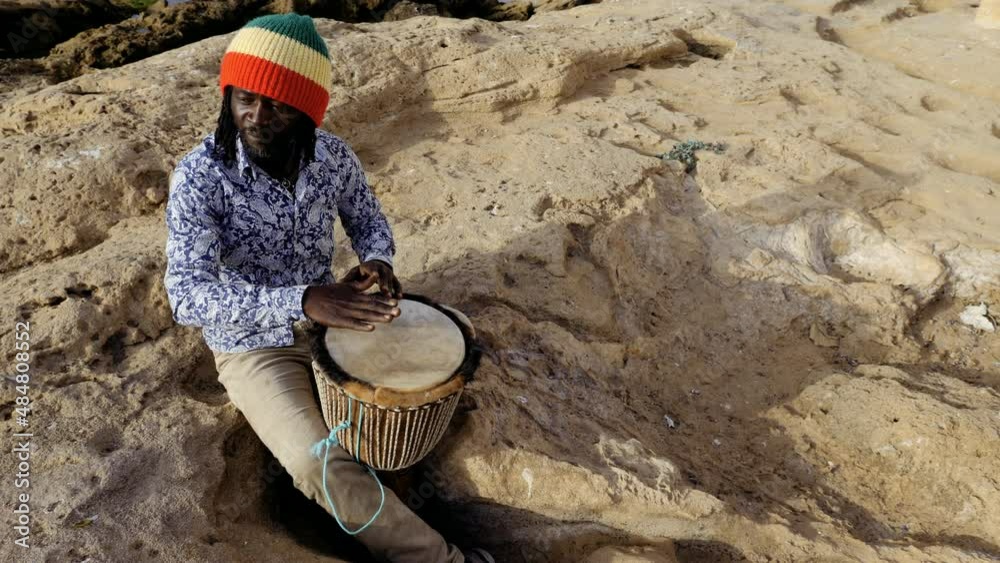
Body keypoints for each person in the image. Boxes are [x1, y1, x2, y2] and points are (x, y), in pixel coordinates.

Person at [162, 13, 493, 563]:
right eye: (245, 98)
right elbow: (187, 296)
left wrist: (378, 262)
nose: (258, 117)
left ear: (309, 111)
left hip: (331, 316)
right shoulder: (199, 174)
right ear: (228, 95)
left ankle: (393, 500)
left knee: (428, 378)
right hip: (253, 344)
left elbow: (368, 220)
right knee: (317, 460)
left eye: (279, 104)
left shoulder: (332, 156)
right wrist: (301, 299)